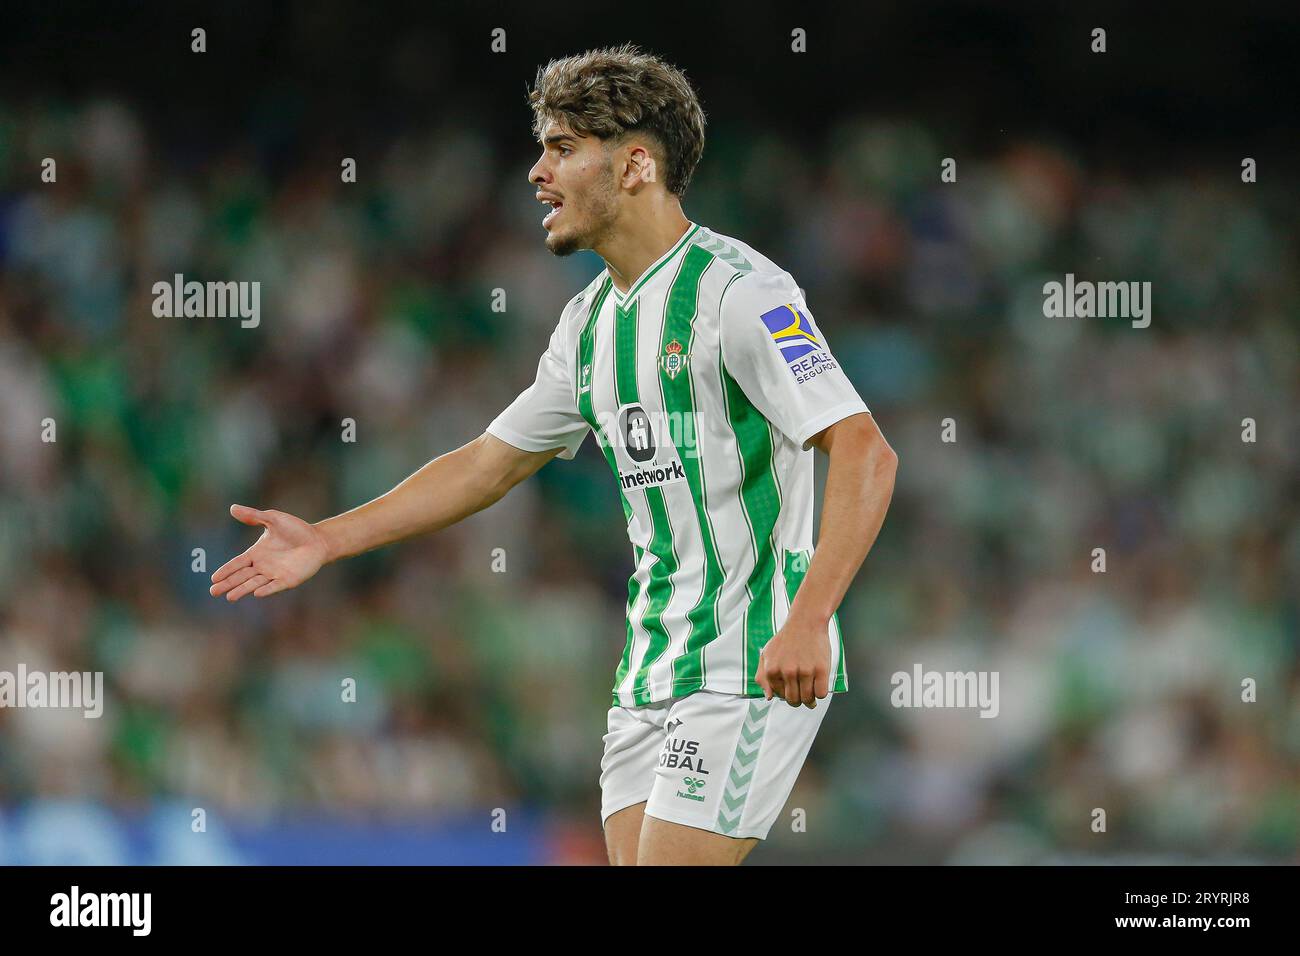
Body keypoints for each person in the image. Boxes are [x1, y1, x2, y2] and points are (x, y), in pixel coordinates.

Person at [210, 43, 898, 866]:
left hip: (749, 656)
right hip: (650, 668)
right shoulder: (588, 325)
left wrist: (809, 619)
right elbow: (486, 463)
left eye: (564, 149)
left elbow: (864, 450)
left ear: (636, 164)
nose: (538, 172)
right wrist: (328, 537)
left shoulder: (742, 293)